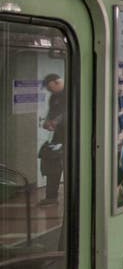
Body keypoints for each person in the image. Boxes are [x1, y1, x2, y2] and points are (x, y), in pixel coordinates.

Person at [39, 73, 66, 205]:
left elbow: (69, 112)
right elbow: (51, 113)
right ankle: (51, 197)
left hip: (72, 137)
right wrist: (47, 122)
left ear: (56, 82)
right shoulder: (53, 97)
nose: (49, 91)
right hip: (57, 137)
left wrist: (56, 121)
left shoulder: (71, 92)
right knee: (51, 164)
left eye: (50, 87)